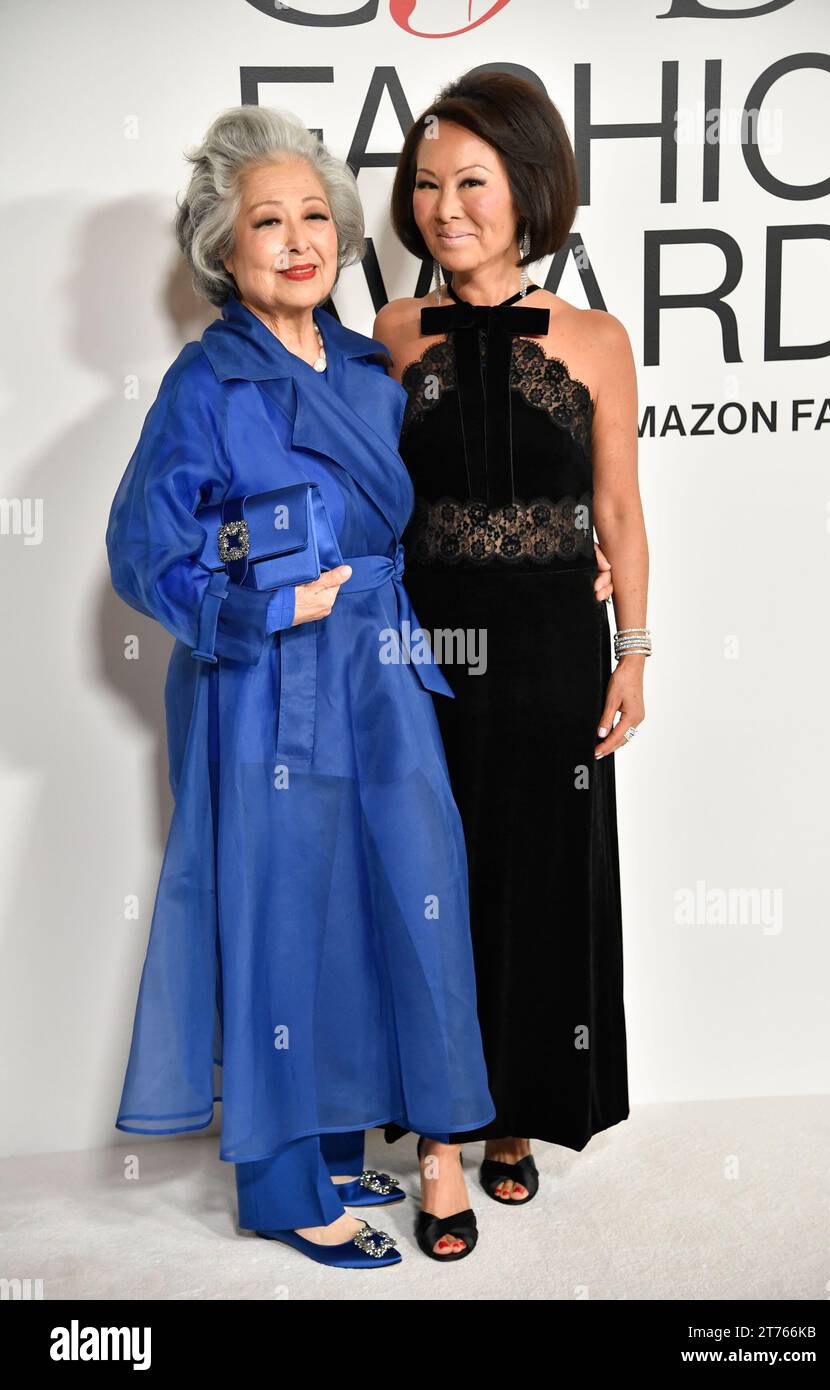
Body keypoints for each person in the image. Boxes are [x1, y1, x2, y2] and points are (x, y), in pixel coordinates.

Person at [105, 104, 496, 1270]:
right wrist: (265, 600)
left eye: (315, 216)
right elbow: (141, 551)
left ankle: (330, 1129)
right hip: (264, 686)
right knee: (278, 912)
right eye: (265, 221)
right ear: (222, 250)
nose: (296, 239)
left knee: (391, 896)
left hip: (382, 672)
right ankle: (282, 1186)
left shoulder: (376, 369)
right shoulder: (205, 382)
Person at [374, 70, 649, 1214]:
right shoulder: (388, 334)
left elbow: (620, 511)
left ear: (528, 192)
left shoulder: (592, 338)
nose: (446, 207)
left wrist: (631, 648)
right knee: (427, 877)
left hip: (549, 653)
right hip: (421, 653)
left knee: (538, 881)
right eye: (427, 184)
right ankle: (441, 1124)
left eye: (472, 182)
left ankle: (517, 1111)